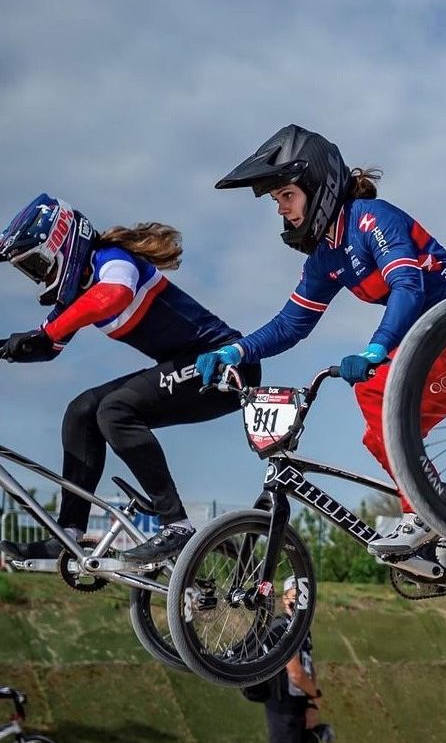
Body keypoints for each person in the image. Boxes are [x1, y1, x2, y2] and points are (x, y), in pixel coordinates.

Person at [200, 125, 446, 557]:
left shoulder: (372, 218)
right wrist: (235, 350)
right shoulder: (325, 256)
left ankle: (428, 514)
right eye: (276, 202)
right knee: (378, 435)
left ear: (317, 186)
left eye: (286, 197)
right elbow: (292, 324)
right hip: (435, 342)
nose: (281, 211)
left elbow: (408, 286)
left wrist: (375, 349)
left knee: (376, 393)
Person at [0, 196, 259, 563]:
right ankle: (68, 532)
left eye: (38, 264)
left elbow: (115, 295)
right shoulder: (81, 290)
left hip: (223, 364)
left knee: (115, 410)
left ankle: (177, 525)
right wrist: (12, 346)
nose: (40, 276)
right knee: (81, 410)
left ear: (63, 246)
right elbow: (47, 345)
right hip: (184, 366)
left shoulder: (113, 261)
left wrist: (51, 329)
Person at [263, 576, 333, 743]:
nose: (298, 602)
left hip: (298, 704)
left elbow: (308, 666)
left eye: (304, 598)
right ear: (284, 599)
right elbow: (295, 673)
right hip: (283, 705)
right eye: (294, 596)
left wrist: (310, 704)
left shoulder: (302, 629)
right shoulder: (281, 627)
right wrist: (315, 697)